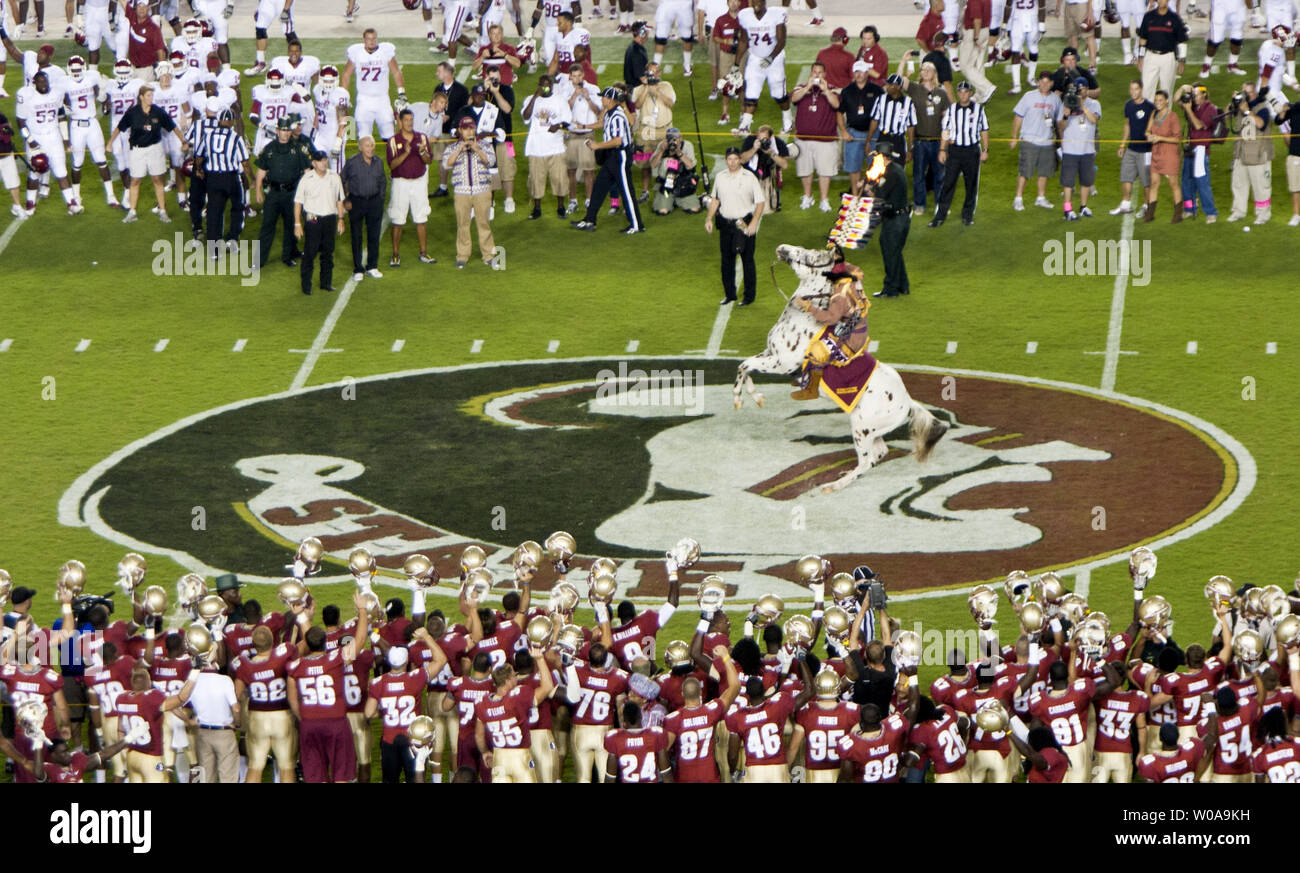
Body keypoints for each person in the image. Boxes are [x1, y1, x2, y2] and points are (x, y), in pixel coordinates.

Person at [287, 591, 370, 783]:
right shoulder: (334, 660)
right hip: (335, 723)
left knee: (316, 776)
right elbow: (359, 641)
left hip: (309, 724)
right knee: (341, 774)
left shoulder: (295, 666)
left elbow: (293, 700)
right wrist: (363, 610)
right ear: (326, 643)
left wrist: (300, 616)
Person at [108, 81, 190, 224]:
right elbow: (120, 127)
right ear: (141, 97)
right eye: (148, 95)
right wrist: (110, 142)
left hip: (155, 148)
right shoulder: (133, 113)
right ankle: (132, 211)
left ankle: (163, 211)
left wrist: (183, 141)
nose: (151, 98)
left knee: (158, 180)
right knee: (135, 180)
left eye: (152, 95)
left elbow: (172, 126)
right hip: (137, 150)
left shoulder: (158, 111)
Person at [789, 265, 869, 401]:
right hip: (857, 331)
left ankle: (811, 390)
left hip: (849, 341)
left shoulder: (840, 294)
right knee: (816, 335)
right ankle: (808, 377)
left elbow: (831, 318)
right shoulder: (854, 284)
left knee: (816, 350)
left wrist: (808, 307)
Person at [571, 85, 644, 233]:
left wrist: (598, 145)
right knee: (599, 187)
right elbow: (602, 123)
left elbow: (618, 140)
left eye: (604, 97)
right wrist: (583, 126)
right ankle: (590, 220)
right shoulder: (611, 112)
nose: (601, 99)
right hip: (612, 156)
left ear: (610, 100)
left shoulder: (617, 116)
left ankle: (637, 225)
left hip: (620, 155)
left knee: (626, 191)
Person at [115, 662, 198, 783]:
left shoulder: (122, 698)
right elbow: (181, 699)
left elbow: (120, 730)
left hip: (132, 755)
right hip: (151, 758)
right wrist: (195, 672)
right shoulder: (152, 697)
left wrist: (123, 752)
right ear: (148, 683)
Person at [14, 70, 82, 216]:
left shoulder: (55, 93)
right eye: (40, 82)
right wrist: (30, 140)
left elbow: (61, 115)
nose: (44, 84)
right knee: (35, 171)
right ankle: (30, 203)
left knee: (61, 171)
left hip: (54, 136)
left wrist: (65, 139)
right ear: (34, 83)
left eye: (45, 81)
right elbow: (20, 121)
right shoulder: (27, 96)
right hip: (36, 138)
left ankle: (71, 202)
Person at [704, 145, 765, 306]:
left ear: (740, 160)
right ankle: (730, 294)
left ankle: (749, 296)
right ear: (726, 161)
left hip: (744, 223)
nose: (732, 162)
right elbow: (715, 200)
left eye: (735, 159)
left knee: (748, 261)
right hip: (726, 224)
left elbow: (760, 202)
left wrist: (753, 223)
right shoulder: (720, 177)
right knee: (726, 262)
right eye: (729, 159)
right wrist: (709, 218)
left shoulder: (749, 177)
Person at [254, 116, 313, 267]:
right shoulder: (269, 148)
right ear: (277, 130)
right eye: (283, 130)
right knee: (267, 227)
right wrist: (258, 191)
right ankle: (258, 261)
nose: (286, 133)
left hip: (291, 193)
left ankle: (288, 256)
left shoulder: (298, 149)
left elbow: (307, 171)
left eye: (288, 130)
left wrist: (309, 193)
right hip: (273, 193)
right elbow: (261, 170)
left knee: (290, 225)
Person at [929, 81, 988, 227]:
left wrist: (985, 150)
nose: (963, 94)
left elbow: (984, 130)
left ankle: (967, 215)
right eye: (960, 92)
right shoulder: (952, 109)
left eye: (965, 91)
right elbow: (946, 130)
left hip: (972, 151)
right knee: (948, 183)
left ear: (970, 93)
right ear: (957, 93)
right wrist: (942, 150)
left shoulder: (979, 109)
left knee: (971, 184)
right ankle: (940, 216)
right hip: (955, 151)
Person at [385, 108, 435, 268]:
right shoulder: (393, 140)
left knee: (421, 217)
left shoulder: (422, 138)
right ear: (400, 122)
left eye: (411, 120)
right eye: (406, 120)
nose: (409, 123)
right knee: (398, 219)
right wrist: (406, 153)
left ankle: (423, 252)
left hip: (419, 181)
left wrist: (422, 154)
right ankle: (395, 254)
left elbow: (428, 161)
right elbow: (392, 165)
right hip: (401, 183)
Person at [447, 116, 498, 268]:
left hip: (481, 190)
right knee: (462, 224)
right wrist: (459, 149)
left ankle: (489, 255)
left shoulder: (485, 145)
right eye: (466, 128)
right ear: (461, 130)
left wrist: (477, 149)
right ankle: (462, 255)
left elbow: (491, 161)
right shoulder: (452, 147)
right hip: (461, 192)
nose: (469, 131)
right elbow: (447, 164)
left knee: (484, 223)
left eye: (472, 128)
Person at [735, 0, 792, 135]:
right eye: (754, 0)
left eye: (759, 0)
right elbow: (743, 40)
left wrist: (770, 58)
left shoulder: (776, 14)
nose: (756, 3)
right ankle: (745, 125)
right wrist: (735, 64)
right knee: (751, 93)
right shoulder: (745, 15)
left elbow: (782, 40)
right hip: (755, 58)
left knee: (779, 94)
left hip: (775, 58)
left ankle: (788, 119)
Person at [899, 56, 947, 214]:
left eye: (928, 69)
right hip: (920, 140)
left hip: (937, 140)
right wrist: (904, 62)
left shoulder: (942, 92)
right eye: (923, 69)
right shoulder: (915, 88)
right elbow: (898, 81)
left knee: (940, 175)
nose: (925, 72)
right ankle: (920, 205)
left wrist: (946, 142)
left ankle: (941, 205)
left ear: (934, 73)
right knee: (918, 174)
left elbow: (947, 118)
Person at [790, 62, 840, 213]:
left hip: (826, 139)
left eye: (820, 73)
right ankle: (807, 196)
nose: (817, 75)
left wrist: (826, 91)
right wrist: (807, 88)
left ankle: (824, 199)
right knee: (805, 170)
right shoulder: (801, 87)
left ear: (825, 75)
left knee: (825, 171)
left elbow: (836, 104)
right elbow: (794, 99)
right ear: (811, 74)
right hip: (803, 138)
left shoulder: (832, 89)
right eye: (814, 72)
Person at [341, 29, 406, 142]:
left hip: (382, 99)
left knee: (389, 137)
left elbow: (396, 72)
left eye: (373, 39)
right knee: (363, 137)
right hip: (364, 99)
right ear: (364, 40)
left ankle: (391, 159)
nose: (371, 42)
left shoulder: (385, 51)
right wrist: (344, 95)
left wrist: (401, 93)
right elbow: (346, 74)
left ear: (377, 39)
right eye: (368, 39)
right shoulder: (357, 52)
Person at [522, 73, 573, 220]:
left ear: (552, 85)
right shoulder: (531, 99)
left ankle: (561, 207)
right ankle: (537, 208)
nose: (546, 87)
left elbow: (567, 121)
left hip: (556, 147)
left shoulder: (559, 100)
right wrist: (534, 97)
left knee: (559, 179)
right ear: (539, 85)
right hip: (536, 148)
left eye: (548, 84)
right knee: (536, 180)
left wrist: (558, 125)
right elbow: (526, 116)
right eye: (543, 84)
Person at [187, 644, 240, 782]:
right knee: (228, 777)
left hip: (203, 732)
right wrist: (237, 724)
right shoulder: (225, 680)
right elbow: (236, 708)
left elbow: (176, 705)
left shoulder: (192, 682)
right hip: (224, 732)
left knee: (207, 777)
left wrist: (188, 721)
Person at [1226, 81, 1274, 224]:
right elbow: (1226, 116)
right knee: (1238, 185)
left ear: (1253, 93)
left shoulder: (1262, 108)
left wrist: (1247, 111)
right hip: (1241, 154)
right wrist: (1233, 103)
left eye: (1246, 92)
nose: (1243, 94)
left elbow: (1260, 124)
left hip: (1258, 155)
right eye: (1242, 92)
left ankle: (1263, 215)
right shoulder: (1240, 106)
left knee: (1261, 187)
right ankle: (1238, 211)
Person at [341, 135, 386, 282]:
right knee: (356, 235)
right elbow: (341, 180)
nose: (371, 148)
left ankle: (372, 266)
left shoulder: (379, 162)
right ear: (360, 148)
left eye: (372, 145)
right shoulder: (352, 163)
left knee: (374, 234)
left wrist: (380, 199)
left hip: (374, 202)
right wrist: (345, 200)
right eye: (367, 146)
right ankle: (358, 268)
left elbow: (382, 181)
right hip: (357, 202)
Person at [1057, 76, 1101, 220]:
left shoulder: (1094, 104)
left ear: (1087, 89)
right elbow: (1061, 128)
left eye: (1082, 89)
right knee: (1068, 182)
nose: (1080, 91)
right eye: (1078, 89)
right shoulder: (1066, 103)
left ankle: (1083, 207)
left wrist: (1082, 105)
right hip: (1070, 148)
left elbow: (1094, 120)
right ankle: (1067, 210)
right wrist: (1065, 116)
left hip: (1087, 149)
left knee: (1086, 180)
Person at [839, 59, 885, 197]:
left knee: (876, 167)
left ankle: (872, 196)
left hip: (874, 134)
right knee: (854, 168)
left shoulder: (877, 90)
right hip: (854, 133)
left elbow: (881, 113)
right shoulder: (847, 91)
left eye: (862, 71)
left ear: (867, 73)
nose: (859, 75)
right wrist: (844, 131)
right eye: (857, 71)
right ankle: (855, 196)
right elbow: (839, 112)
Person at [871, 141, 911, 298]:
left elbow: (880, 197)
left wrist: (870, 190)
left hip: (895, 219)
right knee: (895, 252)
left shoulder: (889, 173)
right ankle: (903, 285)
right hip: (902, 217)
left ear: (882, 157)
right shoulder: (896, 169)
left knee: (890, 252)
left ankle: (890, 289)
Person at [558, 63, 600, 212]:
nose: (577, 79)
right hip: (571, 135)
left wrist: (588, 99)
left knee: (589, 170)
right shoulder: (564, 90)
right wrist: (574, 95)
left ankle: (589, 200)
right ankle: (573, 200)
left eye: (579, 76)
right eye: (574, 76)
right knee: (571, 170)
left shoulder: (593, 89)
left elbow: (599, 111)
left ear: (583, 75)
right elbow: (563, 111)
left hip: (587, 134)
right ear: (570, 77)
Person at [631, 61, 676, 199]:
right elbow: (637, 105)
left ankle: (667, 190)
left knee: (669, 161)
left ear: (660, 73)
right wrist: (646, 87)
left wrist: (657, 92)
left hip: (665, 129)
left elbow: (671, 103)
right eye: (650, 72)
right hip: (646, 131)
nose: (653, 75)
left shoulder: (666, 86)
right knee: (644, 163)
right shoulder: (638, 89)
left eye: (656, 72)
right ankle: (645, 191)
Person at [1112, 79, 1155, 216]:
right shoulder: (1128, 105)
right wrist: (1122, 145)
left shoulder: (1150, 107)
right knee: (1125, 176)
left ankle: (1146, 206)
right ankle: (1125, 204)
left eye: (1136, 89)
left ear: (1141, 89)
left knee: (1146, 181)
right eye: (1131, 89)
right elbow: (1127, 125)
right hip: (1131, 148)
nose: (1133, 92)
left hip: (1146, 150)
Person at [1178, 82, 1220, 221]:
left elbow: (1198, 125)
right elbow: (1175, 100)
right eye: (1193, 95)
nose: (1194, 97)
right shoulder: (1194, 106)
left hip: (1201, 149)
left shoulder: (1211, 109)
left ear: (1204, 94)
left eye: (1196, 95)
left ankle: (1211, 212)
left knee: (1202, 182)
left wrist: (1189, 109)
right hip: (1190, 148)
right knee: (1186, 181)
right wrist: (1183, 88)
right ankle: (1190, 209)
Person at [1142, 88, 1184, 222]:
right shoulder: (1154, 114)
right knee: (1154, 183)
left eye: (1160, 100)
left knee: (1173, 183)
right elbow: (1148, 130)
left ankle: (1178, 214)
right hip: (1156, 154)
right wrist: (1149, 136)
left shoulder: (1173, 117)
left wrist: (1160, 138)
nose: (1158, 102)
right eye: (1156, 100)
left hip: (1170, 154)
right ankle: (1150, 213)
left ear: (1167, 101)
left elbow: (1177, 138)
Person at [430, 62, 469, 198]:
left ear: (447, 73)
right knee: (441, 158)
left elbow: (465, 110)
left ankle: (462, 186)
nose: (436, 73)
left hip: (456, 131)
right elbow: (432, 106)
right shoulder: (437, 88)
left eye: (439, 71)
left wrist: (450, 116)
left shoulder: (461, 90)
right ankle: (443, 187)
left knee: (459, 158)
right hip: (441, 130)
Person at [1138, 0, 1188, 98]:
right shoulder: (1148, 16)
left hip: (1168, 57)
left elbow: (1182, 42)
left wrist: (1182, 61)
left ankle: (1166, 114)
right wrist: (1140, 57)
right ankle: (1149, 113)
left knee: (1166, 91)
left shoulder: (1174, 18)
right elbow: (1143, 39)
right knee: (1146, 90)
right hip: (1150, 56)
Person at [648, 127, 700, 215]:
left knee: (694, 209)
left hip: (682, 185)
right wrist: (661, 151)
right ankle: (668, 200)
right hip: (665, 185)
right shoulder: (662, 145)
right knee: (662, 211)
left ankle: (677, 200)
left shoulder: (687, 145)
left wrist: (679, 153)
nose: (673, 141)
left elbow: (690, 165)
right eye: (670, 139)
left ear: (681, 138)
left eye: (676, 139)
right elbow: (653, 165)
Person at [738, 124, 790, 210]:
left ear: (771, 137)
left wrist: (771, 153)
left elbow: (785, 165)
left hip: (767, 176)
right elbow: (742, 160)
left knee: (765, 208)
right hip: (749, 174)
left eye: (765, 139)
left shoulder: (778, 143)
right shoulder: (751, 140)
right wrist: (754, 149)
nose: (762, 141)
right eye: (759, 138)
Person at [867, 74, 916, 163]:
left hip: (899, 139)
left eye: (890, 84)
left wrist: (910, 149)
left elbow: (911, 126)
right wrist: (868, 141)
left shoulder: (908, 102)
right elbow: (874, 121)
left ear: (898, 87)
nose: (887, 87)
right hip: (883, 137)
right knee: (880, 167)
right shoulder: (881, 99)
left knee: (898, 168)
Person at [710, 0, 742, 125]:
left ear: (739, 3)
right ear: (727, 3)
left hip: (741, 55)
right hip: (726, 55)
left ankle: (743, 113)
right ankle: (725, 113)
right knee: (725, 83)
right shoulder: (721, 20)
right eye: (731, 1)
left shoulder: (744, 19)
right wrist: (725, 41)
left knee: (742, 83)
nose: (733, 4)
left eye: (736, 1)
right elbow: (715, 37)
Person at [958, 0, 996, 101]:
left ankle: (987, 87)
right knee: (978, 64)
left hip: (974, 32)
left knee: (965, 65)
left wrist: (976, 37)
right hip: (984, 31)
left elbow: (977, 19)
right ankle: (980, 94)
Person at [1200, 0, 1249, 76]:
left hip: (1239, 6)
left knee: (1237, 37)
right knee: (1215, 39)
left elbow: (1253, 4)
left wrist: (1255, 5)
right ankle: (1206, 65)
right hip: (1220, 5)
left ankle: (1232, 65)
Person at [1005, 0, 1043, 93]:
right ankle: (1016, 84)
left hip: (1033, 20)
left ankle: (1031, 78)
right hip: (1017, 20)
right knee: (1015, 51)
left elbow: (1042, 6)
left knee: (1033, 50)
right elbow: (1008, 5)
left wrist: (1042, 25)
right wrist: (1006, 24)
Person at [126, 1, 165, 81]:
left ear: (148, 8)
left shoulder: (153, 28)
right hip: (132, 68)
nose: (142, 9)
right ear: (136, 8)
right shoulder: (133, 18)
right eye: (139, 6)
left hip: (146, 70)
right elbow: (124, 3)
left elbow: (160, 50)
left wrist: (162, 71)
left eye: (144, 6)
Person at [1056, 0, 1098, 73]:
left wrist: (1090, 11)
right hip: (1068, 6)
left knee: (1089, 35)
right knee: (1072, 36)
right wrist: (1058, 6)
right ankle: (1070, 65)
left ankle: (1092, 65)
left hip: (1082, 6)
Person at [1281, 94, 1300, 226]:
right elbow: (1278, 120)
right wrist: (1283, 110)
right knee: (1295, 187)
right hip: (1295, 153)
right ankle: (1296, 215)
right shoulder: (1294, 108)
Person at [622, 20, 651, 91]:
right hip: (636, 90)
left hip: (635, 88)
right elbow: (641, 77)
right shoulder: (636, 52)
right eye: (646, 31)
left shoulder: (637, 47)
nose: (648, 33)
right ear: (642, 33)